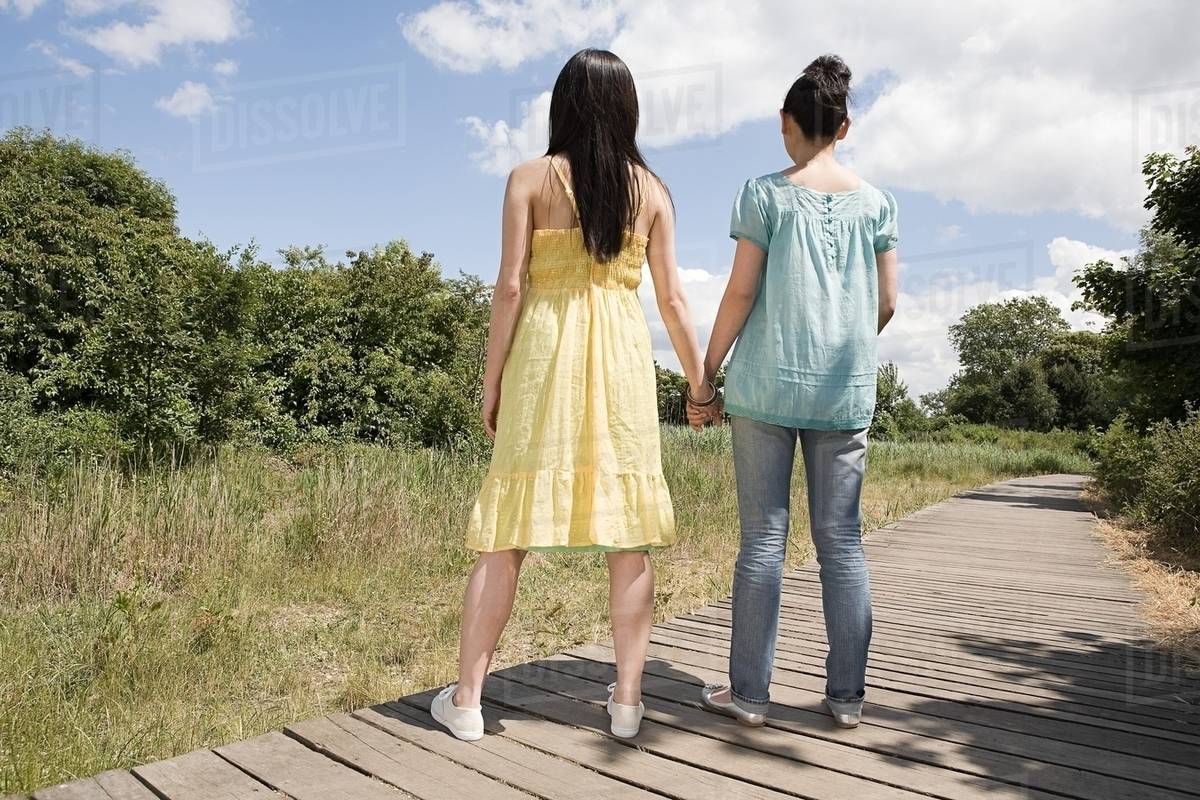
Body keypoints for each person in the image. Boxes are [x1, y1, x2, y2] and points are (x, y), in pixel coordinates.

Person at [432, 48, 710, 742]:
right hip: (618, 366)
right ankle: (625, 705)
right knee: (629, 539)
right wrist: (701, 382)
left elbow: (510, 288)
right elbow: (673, 300)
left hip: (544, 363)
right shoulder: (651, 192)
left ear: (561, 104)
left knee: (505, 536)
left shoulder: (529, 177)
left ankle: (467, 701)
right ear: (627, 108)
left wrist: (491, 380)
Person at [689, 54, 899, 729]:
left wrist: (706, 373)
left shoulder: (763, 194)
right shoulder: (878, 204)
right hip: (843, 396)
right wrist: (842, 341)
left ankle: (749, 695)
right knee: (841, 541)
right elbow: (888, 303)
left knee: (763, 541)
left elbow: (741, 291)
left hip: (765, 392)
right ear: (845, 125)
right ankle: (846, 699)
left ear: (787, 123)